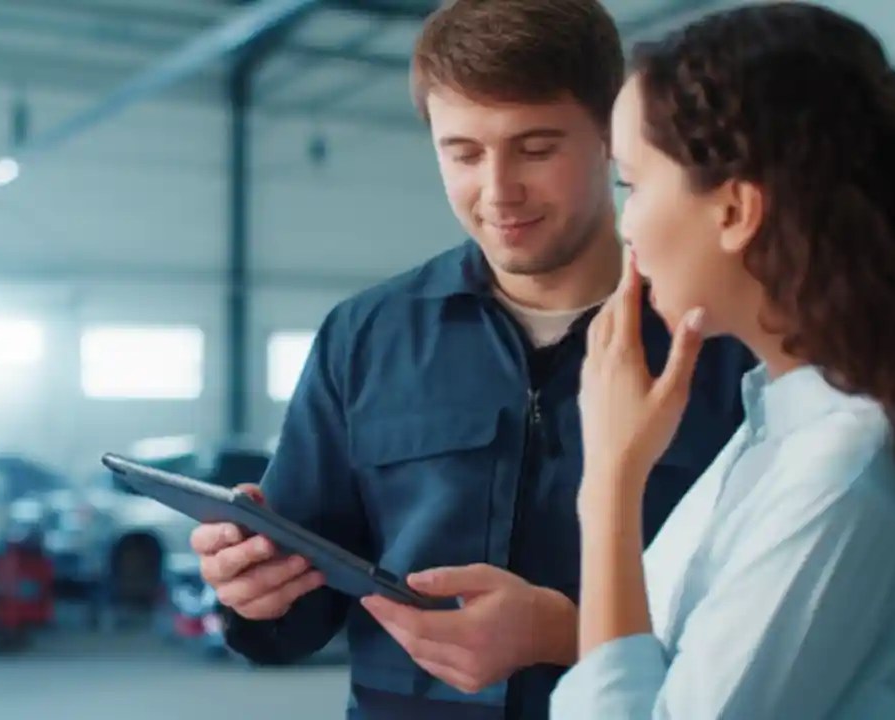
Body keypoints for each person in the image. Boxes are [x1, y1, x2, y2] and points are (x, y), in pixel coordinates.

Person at [190, 2, 753, 718]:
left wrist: (567, 635)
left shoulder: (722, 342)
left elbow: (772, 629)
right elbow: (299, 619)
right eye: (463, 153)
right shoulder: (365, 338)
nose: (497, 190)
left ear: (614, 135)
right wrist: (252, 593)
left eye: (536, 148)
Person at [551, 3, 895, 717]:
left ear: (735, 211)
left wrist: (610, 485)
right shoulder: (780, 427)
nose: (623, 225)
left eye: (632, 184)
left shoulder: (847, 470)